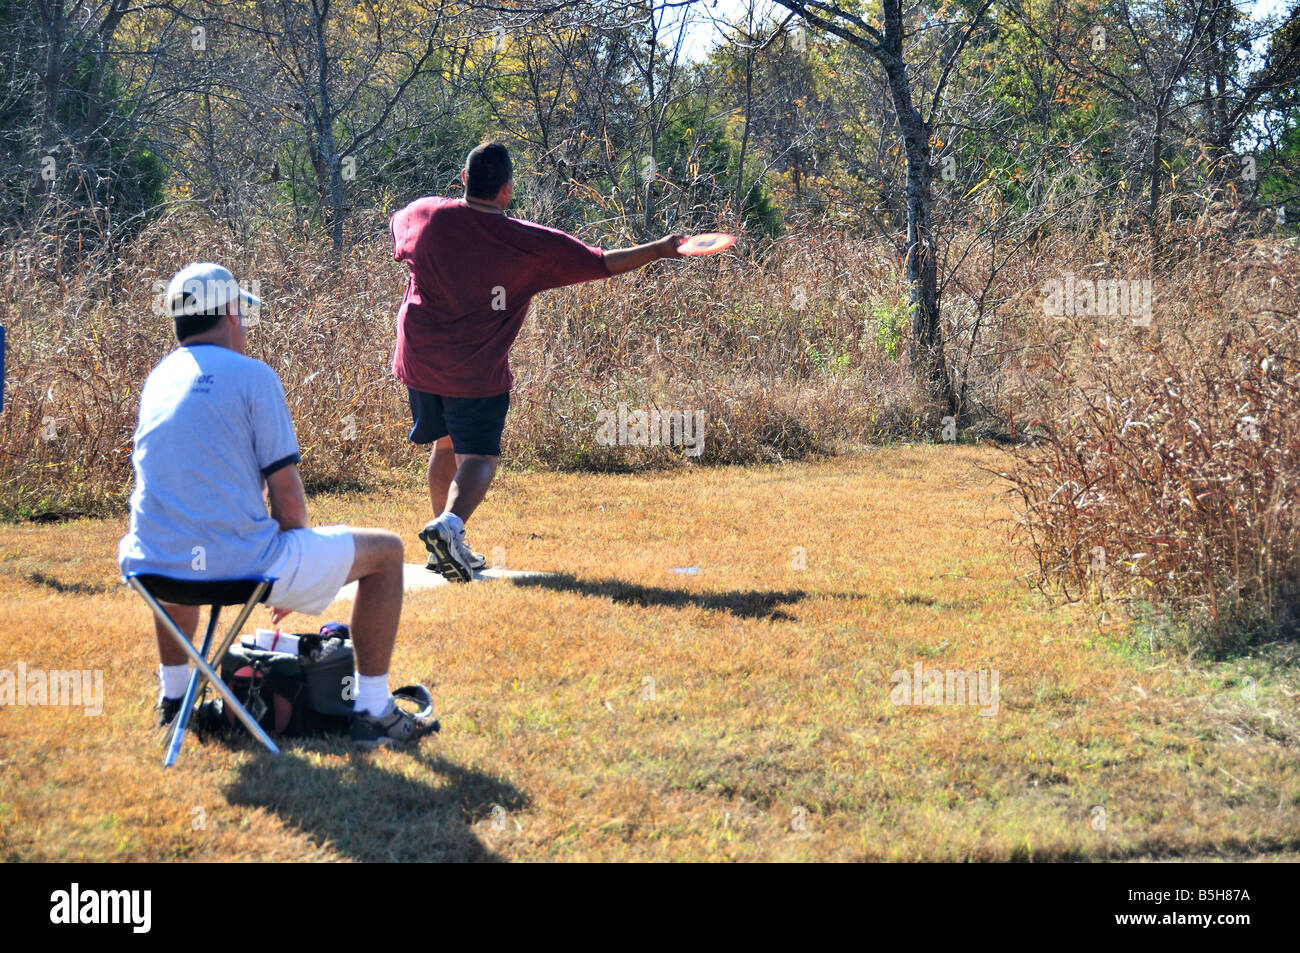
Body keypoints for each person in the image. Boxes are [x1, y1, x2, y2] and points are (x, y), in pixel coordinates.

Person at [118, 262, 437, 747]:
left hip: (152, 565)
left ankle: (174, 700)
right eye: (240, 314)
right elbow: (288, 497)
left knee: (183, 545)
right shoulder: (253, 377)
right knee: (388, 553)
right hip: (243, 567)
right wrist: (295, 566)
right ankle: (372, 709)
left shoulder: (157, 379)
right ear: (228, 312)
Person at [392, 141, 685, 581]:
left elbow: (398, 226)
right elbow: (603, 263)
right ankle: (449, 527)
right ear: (507, 190)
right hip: (473, 372)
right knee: (480, 459)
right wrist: (660, 248)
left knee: (446, 444)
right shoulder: (529, 245)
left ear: (464, 181)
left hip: (418, 359)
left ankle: (443, 546)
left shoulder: (425, 214)